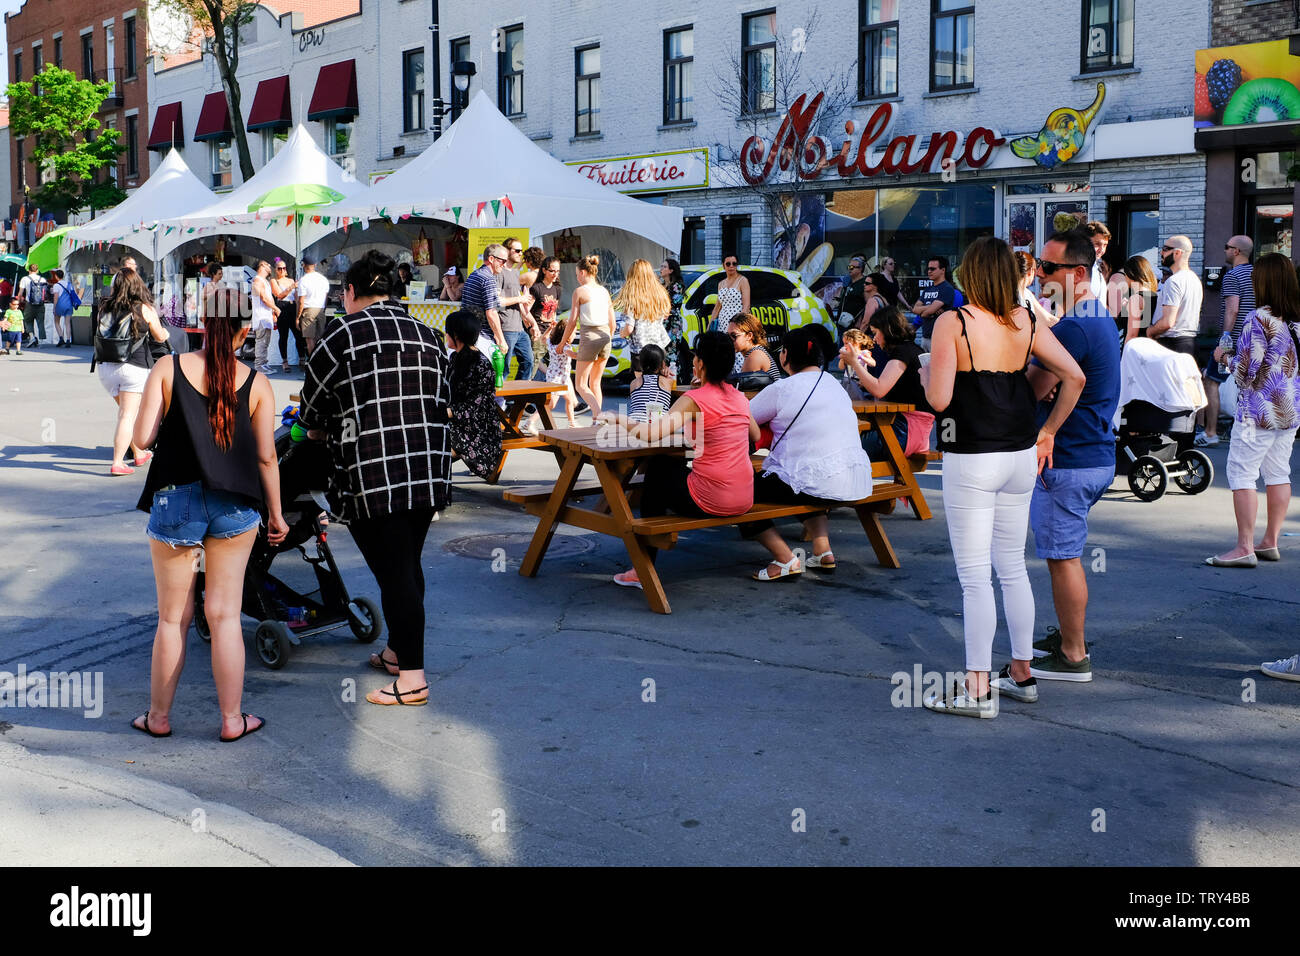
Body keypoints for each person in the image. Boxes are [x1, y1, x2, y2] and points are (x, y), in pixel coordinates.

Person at [920, 236, 1085, 718]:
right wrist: (1049, 431)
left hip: (972, 456)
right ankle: (1021, 673)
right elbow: (1073, 375)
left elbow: (938, 400)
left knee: (974, 579)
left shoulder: (953, 322)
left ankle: (976, 689)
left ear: (970, 275)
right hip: (1019, 454)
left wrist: (929, 366)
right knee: (1012, 567)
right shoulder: (1027, 319)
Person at [128, 288, 288, 742]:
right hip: (236, 505)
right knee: (224, 616)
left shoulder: (168, 367)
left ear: (202, 323)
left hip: (175, 501)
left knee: (171, 619)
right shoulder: (257, 382)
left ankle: (158, 718)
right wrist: (276, 513)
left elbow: (141, 440)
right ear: (242, 330)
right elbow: (265, 458)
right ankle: (232, 720)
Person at [298, 250, 453, 707]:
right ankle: (396, 653)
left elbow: (311, 409)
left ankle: (413, 680)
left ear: (350, 292)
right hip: (428, 469)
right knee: (405, 565)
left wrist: (319, 425)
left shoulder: (341, 333)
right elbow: (442, 395)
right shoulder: (428, 334)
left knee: (396, 573)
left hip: (372, 473)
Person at [1024, 229, 1122, 685]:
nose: (1039, 273)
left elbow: (1034, 389)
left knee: (1063, 558)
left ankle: (1073, 654)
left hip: (1069, 458)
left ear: (1078, 273)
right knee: (1066, 555)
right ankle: (1067, 635)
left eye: (1048, 267)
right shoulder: (1095, 317)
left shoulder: (1074, 326)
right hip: (1094, 453)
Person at [602, 330, 760, 590]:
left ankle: (643, 569)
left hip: (712, 500)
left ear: (701, 364)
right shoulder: (738, 397)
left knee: (658, 469)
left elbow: (652, 434)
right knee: (670, 466)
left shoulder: (693, 400)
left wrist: (618, 419)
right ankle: (642, 566)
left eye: (696, 357)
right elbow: (754, 434)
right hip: (744, 496)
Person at [742, 326, 874, 579]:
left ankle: (785, 559)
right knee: (805, 474)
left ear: (785, 356)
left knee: (738, 494)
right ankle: (822, 549)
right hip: (856, 480)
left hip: (814, 481)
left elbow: (742, 417)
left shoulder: (782, 388)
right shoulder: (834, 385)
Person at [1207, 252, 1300, 569]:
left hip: (1257, 411)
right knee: (1278, 473)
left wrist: (1224, 357)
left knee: (1242, 474)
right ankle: (1269, 541)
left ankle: (1244, 546)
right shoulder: (1295, 321)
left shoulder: (1259, 319)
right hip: (1287, 410)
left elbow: (1245, 371)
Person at [94, 269, 173, 475]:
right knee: (128, 415)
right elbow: (160, 336)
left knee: (129, 414)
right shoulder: (143, 308)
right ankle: (118, 462)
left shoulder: (104, 307)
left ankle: (138, 452)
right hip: (134, 368)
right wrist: (166, 332)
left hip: (105, 368)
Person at [840, 305, 930, 460]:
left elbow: (879, 389)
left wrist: (854, 363)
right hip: (913, 431)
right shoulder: (911, 349)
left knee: (840, 446)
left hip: (905, 431)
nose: (874, 338)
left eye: (875, 333)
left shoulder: (903, 352)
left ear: (887, 330)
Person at [1199, 235, 1255, 447]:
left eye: (1227, 247)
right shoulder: (1257, 274)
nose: (1224, 251)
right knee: (1247, 384)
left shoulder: (1232, 276)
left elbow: (1233, 308)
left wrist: (1224, 339)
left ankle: (1211, 432)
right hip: (1253, 338)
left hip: (1233, 339)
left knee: (1212, 380)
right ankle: (1245, 431)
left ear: (1236, 251)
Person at [445, 309, 504, 481]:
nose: (445, 336)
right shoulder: (456, 358)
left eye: (447, 332)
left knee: (430, 451)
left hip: (477, 429)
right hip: (459, 422)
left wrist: (448, 412)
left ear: (456, 335)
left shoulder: (481, 364)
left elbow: (478, 407)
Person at [564, 253, 616, 417]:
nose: (577, 277)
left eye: (577, 273)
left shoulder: (579, 291)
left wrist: (561, 344)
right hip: (606, 336)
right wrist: (608, 338)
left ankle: (599, 415)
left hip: (590, 335)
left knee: (580, 385)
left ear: (583, 273)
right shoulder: (604, 291)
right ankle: (596, 421)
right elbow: (612, 322)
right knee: (595, 383)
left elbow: (572, 321)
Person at [615, 258, 674, 378]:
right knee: (658, 384)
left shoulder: (633, 299)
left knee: (641, 385)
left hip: (640, 350)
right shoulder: (659, 295)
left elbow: (629, 328)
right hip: (659, 348)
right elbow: (665, 316)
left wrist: (622, 333)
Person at [1147, 235, 1203, 355]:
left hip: (1172, 344)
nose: (1161, 252)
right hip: (1190, 343)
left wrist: (1150, 331)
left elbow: (1168, 322)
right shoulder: (1194, 279)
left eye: (1165, 249)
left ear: (1177, 253)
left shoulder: (1173, 281)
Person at [497, 237, 538, 386]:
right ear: (507, 251)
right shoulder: (499, 273)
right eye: (518, 250)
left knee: (528, 362)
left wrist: (533, 324)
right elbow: (498, 301)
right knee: (504, 369)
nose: (521, 254)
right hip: (506, 327)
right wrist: (519, 299)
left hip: (519, 328)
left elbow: (521, 303)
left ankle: (516, 398)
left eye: (522, 251)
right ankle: (501, 402)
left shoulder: (515, 273)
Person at [461, 243, 509, 352]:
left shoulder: (474, 275)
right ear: (491, 259)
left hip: (468, 333)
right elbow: (491, 312)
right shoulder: (488, 279)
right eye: (503, 261)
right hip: (482, 337)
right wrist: (501, 340)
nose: (504, 265)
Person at [912, 255, 957, 351]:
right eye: (928, 269)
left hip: (939, 338)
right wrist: (930, 307)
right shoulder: (928, 289)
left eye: (932, 269)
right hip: (925, 336)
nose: (929, 271)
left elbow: (925, 313)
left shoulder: (946, 288)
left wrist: (925, 310)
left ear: (943, 270)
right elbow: (915, 309)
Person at [543, 317, 579, 426]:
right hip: (557, 378)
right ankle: (531, 421)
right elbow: (573, 355)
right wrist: (587, 353)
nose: (574, 336)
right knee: (551, 404)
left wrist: (549, 329)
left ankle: (572, 423)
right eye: (574, 333)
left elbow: (543, 338)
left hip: (560, 376)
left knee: (570, 400)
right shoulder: (564, 347)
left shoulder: (551, 342)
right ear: (566, 333)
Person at [727, 312, 781, 384]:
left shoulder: (754, 357)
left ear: (749, 336)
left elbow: (747, 394)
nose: (729, 340)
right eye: (728, 335)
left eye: (734, 335)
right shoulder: (756, 351)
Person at [270, 258, 303, 372]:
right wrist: (291, 287)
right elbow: (279, 295)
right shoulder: (274, 281)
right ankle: (285, 361)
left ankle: (302, 359)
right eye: (280, 268)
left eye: (284, 268)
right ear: (276, 270)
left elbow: (296, 297)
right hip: (282, 307)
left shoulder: (290, 280)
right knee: (283, 336)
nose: (282, 270)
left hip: (292, 307)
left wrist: (299, 309)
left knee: (298, 334)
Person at [626, 344, 672, 423]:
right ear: (662, 364)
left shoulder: (634, 383)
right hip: (658, 424)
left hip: (635, 423)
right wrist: (664, 371)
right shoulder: (667, 382)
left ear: (641, 363)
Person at [1119, 256, 1160, 344]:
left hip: (1137, 348)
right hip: (1151, 346)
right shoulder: (1155, 296)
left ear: (1131, 274)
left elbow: (1132, 334)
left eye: (1125, 274)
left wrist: (1126, 355)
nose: (1125, 278)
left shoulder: (1136, 299)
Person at [660, 258, 688, 385]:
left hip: (672, 323)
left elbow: (673, 304)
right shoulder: (661, 285)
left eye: (664, 267)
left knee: (671, 352)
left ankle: (675, 381)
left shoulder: (677, 286)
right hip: (660, 322)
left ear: (671, 270)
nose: (661, 269)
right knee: (661, 352)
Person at [296, 255, 330, 356]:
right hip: (320, 309)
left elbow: (301, 301)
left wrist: (297, 317)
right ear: (314, 265)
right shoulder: (323, 279)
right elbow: (326, 297)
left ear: (304, 265)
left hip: (308, 310)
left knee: (309, 339)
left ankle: (313, 363)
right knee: (320, 339)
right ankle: (320, 363)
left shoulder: (304, 280)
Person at [249, 260, 279, 374]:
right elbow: (263, 298)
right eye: (267, 264)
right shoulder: (257, 280)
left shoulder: (264, 281)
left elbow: (267, 298)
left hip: (265, 315)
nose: (270, 266)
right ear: (261, 266)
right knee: (261, 340)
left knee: (265, 341)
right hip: (261, 316)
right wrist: (276, 309)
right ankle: (259, 365)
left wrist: (272, 312)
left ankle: (263, 363)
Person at [1013, 250, 1057, 328]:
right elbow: (1048, 319)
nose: (1037, 274)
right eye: (1035, 270)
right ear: (1030, 272)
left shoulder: (1004, 291)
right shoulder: (1026, 294)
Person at [708, 255, 750, 332]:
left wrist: (738, 324)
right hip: (722, 325)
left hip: (737, 325)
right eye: (728, 264)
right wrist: (709, 327)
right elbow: (717, 307)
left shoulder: (743, 280)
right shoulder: (721, 284)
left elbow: (746, 306)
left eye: (734, 264)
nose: (731, 266)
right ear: (723, 266)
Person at [17, 262, 46, 348]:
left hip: (29, 304)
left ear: (29, 270)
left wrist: (18, 303)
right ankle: (41, 341)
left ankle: (32, 337)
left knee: (28, 321)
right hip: (41, 304)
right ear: (37, 270)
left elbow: (20, 293)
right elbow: (45, 293)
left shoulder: (25, 279)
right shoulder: (43, 279)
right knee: (40, 322)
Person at [50, 269, 80, 348]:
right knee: (67, 323)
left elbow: (56, 297)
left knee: (56, 322)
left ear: (56, 276)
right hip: (69, 305)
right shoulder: (68, 284)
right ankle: (68, 340)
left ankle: (61, 338)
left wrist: (54, 307)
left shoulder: (56, 285)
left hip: (60, 305)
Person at [1083, 221, 1111, 301]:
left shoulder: (1096, 268)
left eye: (1105, 245)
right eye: (1097, 244)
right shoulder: (1075, 268)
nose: (1102, 250)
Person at [840, 256, 868, 326]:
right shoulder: (848, 282)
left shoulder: (865, 283)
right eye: (849, 267)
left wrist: (860, 321)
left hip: (855, 324)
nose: (850, 269)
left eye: (852, 267)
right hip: (843, 322)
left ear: (860, 269)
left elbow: (868, 304)